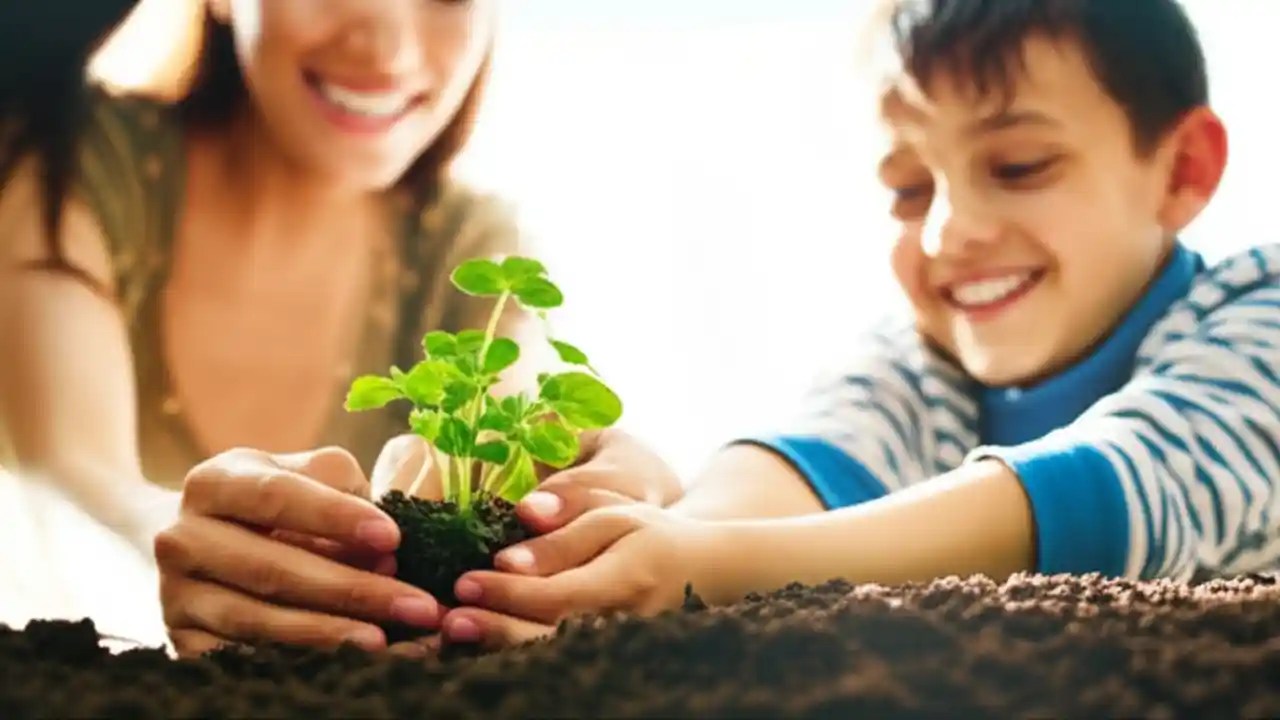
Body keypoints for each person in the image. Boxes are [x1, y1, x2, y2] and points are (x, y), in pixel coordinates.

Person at [422, 0, 1280, 650]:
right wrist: (638, 538)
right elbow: (795, 468)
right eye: (910, 190)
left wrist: (708, 567)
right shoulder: (916, 360)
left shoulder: (1258, 320)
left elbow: (1119, 487)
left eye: (1019, 166)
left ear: (1184, 170)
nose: (949, 233)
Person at [0, 0, 683, 656]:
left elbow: (513, 431)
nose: (388, 51)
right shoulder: (74, 164)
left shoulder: (472, 251)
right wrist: (175, 549)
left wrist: (596, 498)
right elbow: (63, 478)